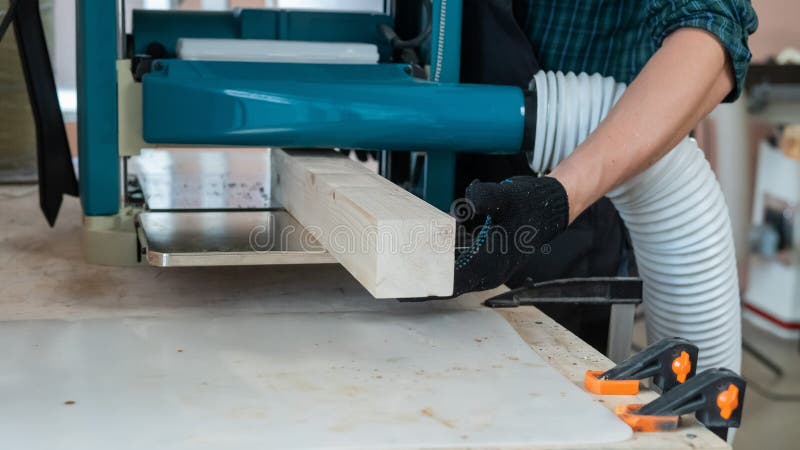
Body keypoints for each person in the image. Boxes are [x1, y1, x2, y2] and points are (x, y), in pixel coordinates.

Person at [451, 0, 758, 348]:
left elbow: (711, 38)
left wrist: (554, 199)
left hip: (574, 193)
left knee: (543, 380)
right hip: (446, 173)